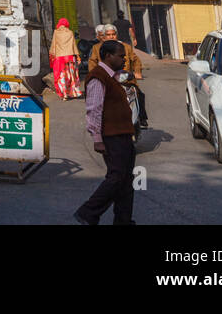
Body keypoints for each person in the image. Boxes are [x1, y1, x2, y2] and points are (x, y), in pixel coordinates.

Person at [75, 40, 137, 225]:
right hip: (111, 136)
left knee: (126, 180)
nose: (124, 59)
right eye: (120, 56)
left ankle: (123, 220)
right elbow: (94, 109)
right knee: (116, 178)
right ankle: (88, 211)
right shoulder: (97, 77)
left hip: (124, 133)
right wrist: (97, 139)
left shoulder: (112, 76)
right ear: (108, 56)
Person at [89, 24, 148, 129]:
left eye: (113, 34)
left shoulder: (126, 47)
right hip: (106, 80)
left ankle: (142, 118)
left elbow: (135, 60)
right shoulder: (97, 48)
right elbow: (92, 62)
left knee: (139, 95)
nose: (111, 37)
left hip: (125, 80)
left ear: (116, 35)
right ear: (103, 36)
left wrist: (137, 72)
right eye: (108, 35)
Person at [49, 18, 82, 100]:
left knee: (62, 76)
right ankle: (73, 92)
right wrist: (77, 56)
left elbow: (53, 45)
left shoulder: (56, 32)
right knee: (71, 76)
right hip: (70, 57)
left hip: (59, 58)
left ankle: (64, 94)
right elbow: (74, 45)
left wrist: (52, 55)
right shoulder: (70, 32)